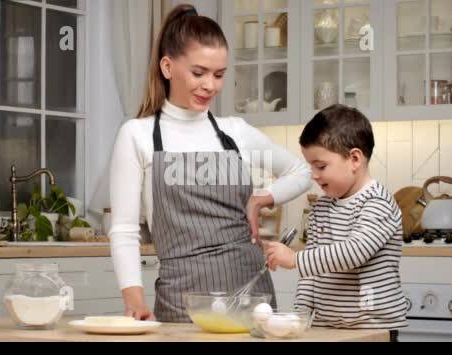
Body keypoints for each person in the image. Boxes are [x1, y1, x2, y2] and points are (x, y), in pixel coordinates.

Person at [109, 4, 312, 322]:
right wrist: (134, 298)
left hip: (253, 303)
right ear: (167, 66)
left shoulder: (236, 132)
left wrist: (260, 199)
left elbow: (301, 171)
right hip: (182, 306)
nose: (210, 85)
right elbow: (123, 229)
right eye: (198, 72)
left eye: (219, 75)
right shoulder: (138, 135)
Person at [264, 105, 407, 336]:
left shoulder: (378, 203)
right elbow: (309, 275)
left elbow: (353, 252)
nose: (314, 174)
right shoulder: (321, 208)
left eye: (321, 166)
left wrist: (294, 258)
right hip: (326, 327)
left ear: (354, 159)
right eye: (311, 166)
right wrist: (301, 318)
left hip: (371, 327)